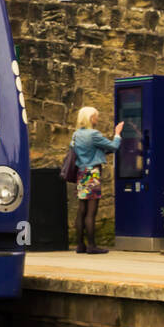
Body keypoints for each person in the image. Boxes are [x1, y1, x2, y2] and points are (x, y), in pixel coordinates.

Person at [70, 106, 124, 254]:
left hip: (81, 173)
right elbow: (113, 146)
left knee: (81, 210)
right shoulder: (93, 134)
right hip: (92, 173)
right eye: (96, 116)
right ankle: (92, 246)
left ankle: (80, 245)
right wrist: (117, 134)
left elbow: (77, 150)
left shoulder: (75, 135)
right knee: (91, 212)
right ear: (90, 118)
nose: (97, 119)